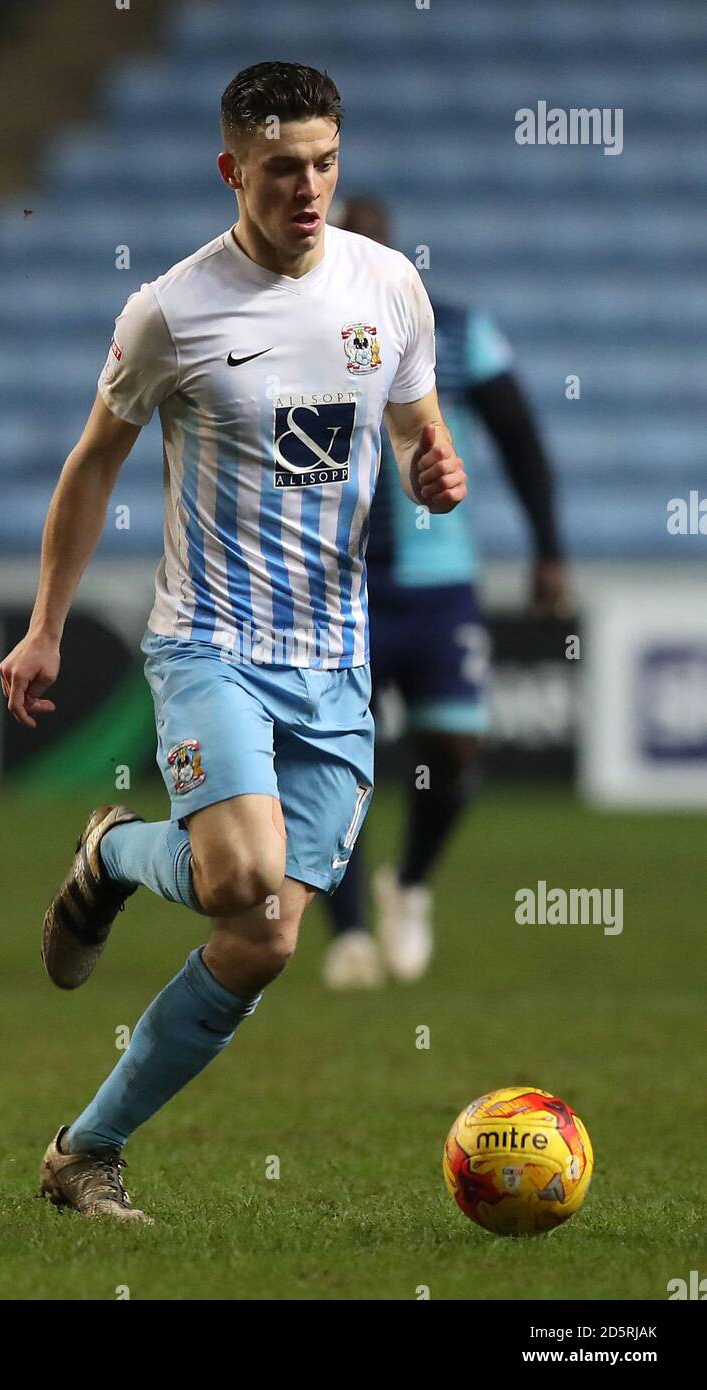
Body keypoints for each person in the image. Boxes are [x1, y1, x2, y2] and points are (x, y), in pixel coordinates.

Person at [0, 63, 466, 1223]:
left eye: (323, 164)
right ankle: (112, 859)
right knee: (242, 875)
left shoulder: (387, 284)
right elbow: (91, 465)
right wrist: (45, 625)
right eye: (280, 170)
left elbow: (412, 411)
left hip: (334, 656)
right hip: (209, 639)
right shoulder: (171, 311)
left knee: (260, 941)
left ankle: (83, 1152)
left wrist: (429, 459)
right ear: (231, 172)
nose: (307, 188)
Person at [321, 197, 568, 991]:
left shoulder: (455, 332)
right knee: (337, 761)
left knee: (455, 750)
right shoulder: (293, 336)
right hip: (337, 583)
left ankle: (412, 884)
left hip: (437, 585)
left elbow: (519, 440)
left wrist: (549, 550)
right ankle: (351, 934)